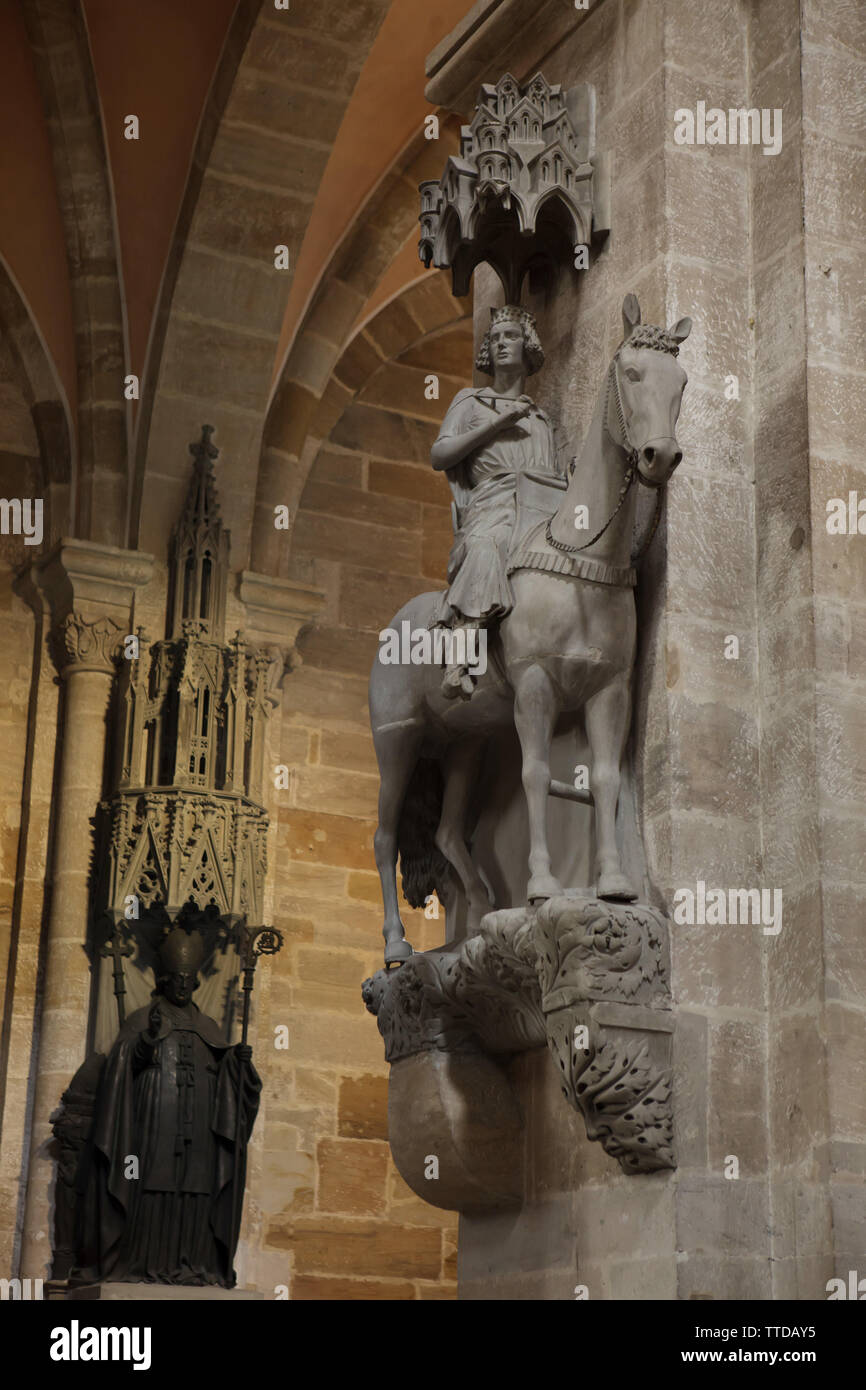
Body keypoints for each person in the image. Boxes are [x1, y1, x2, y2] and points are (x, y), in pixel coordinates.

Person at [74, 927, 260, 1287]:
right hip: (152, 1121)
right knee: (146, 1184)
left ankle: (195, 1264)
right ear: (163, 980)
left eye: (189, 980)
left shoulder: (208, 1026)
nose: (183, 985)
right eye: (176, 979)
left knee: (195, 1192)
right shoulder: (142, 1019)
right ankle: (137, 1263)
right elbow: (122, 1068)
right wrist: (145, 1040)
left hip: (200, 1127)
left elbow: (231, 1086)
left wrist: (240, 1064)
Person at [431, 304, 561, 697]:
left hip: (540, 512)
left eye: (511, 336)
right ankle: (458, 656)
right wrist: (497, 424)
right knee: (487, 546)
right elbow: (440, 455)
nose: (502, 343)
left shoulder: (540, 418)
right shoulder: (470, 402)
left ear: (527, 346)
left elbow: (549, 474)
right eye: (496, 337)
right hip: (491, 506)